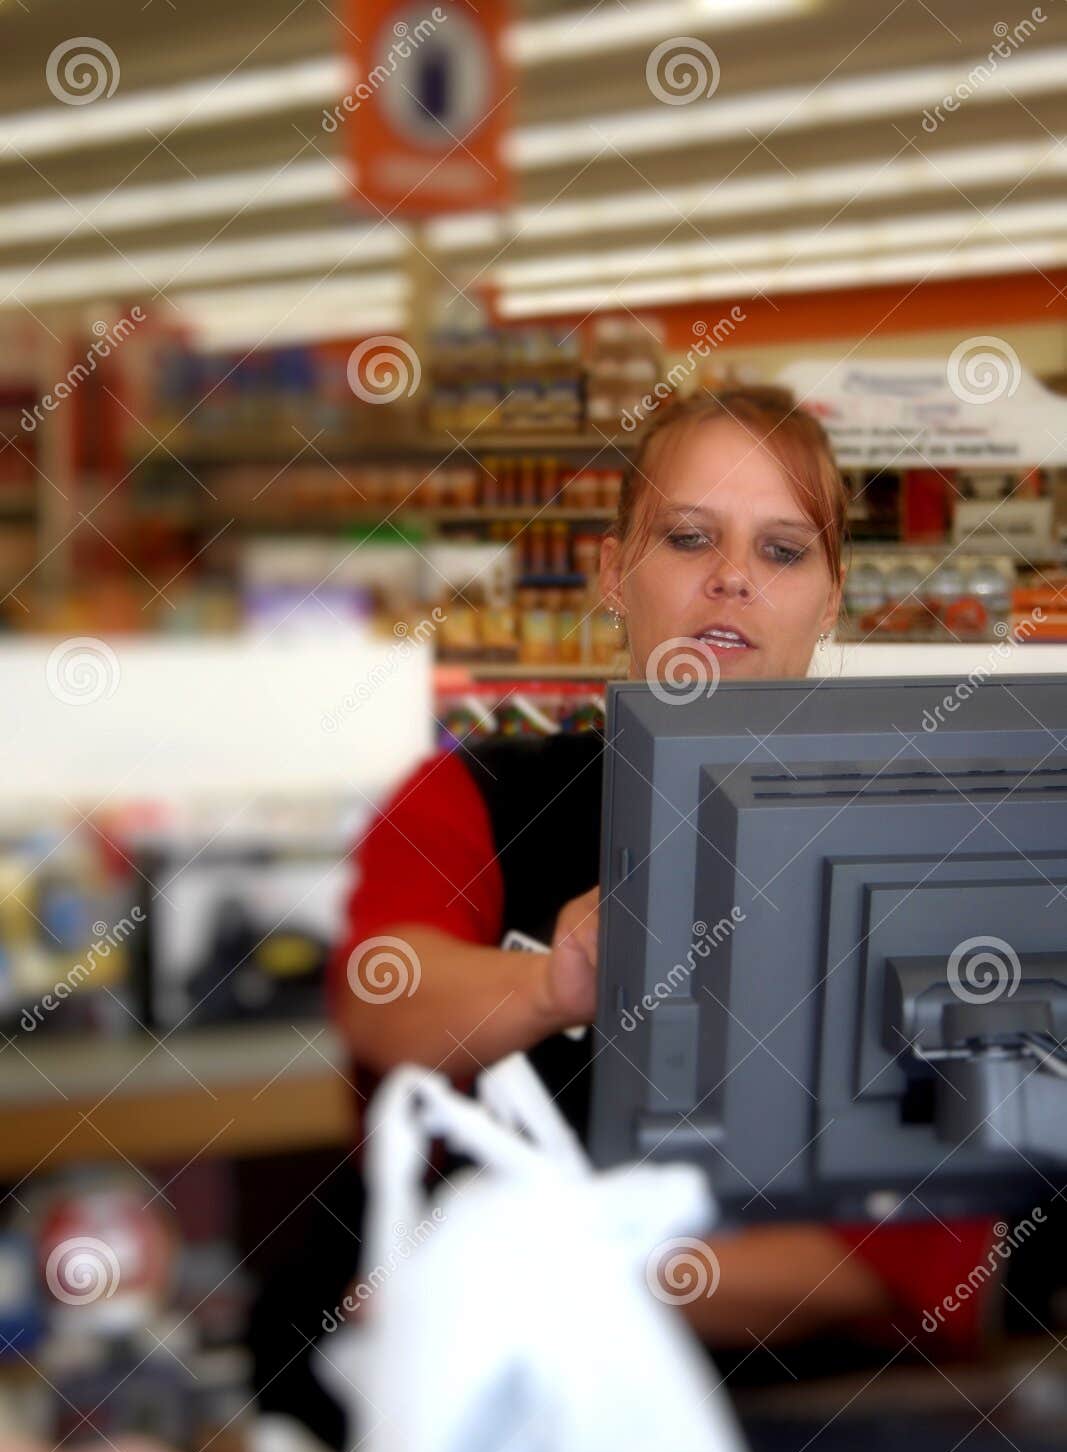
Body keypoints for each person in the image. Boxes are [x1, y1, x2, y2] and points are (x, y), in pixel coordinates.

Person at [334, 387, 996, 1353]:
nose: (732, 578)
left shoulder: (922, 853)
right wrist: (550, 982)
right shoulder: (467, 796)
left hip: (808, 1436)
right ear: (613, 571)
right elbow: (377, 1001)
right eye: (688, 538)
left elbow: (931, 1247)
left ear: (830, 596)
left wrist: (573, 1279)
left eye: (780, 551)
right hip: (502, 1420)